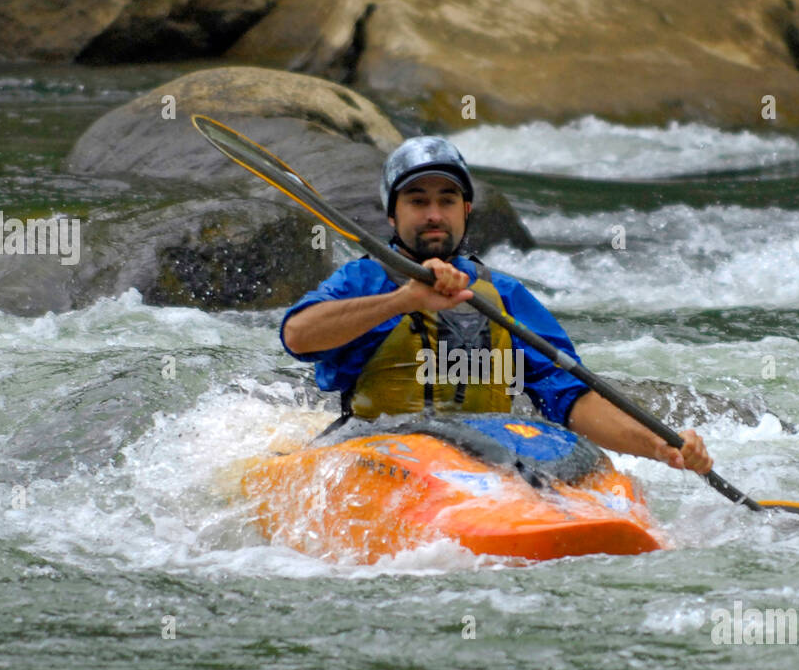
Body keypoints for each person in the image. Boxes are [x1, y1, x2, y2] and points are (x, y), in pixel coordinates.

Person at [280, 136, 712, 474]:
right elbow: (299, 336)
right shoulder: (364, 280)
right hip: (384, 456)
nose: (433, 213)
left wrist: (658, 446)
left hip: (487, 455)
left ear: (466, 210)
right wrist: (403, 300)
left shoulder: (503, 295)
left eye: (447, 200)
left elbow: (570, 397)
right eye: (417, 201)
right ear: (392, 215)